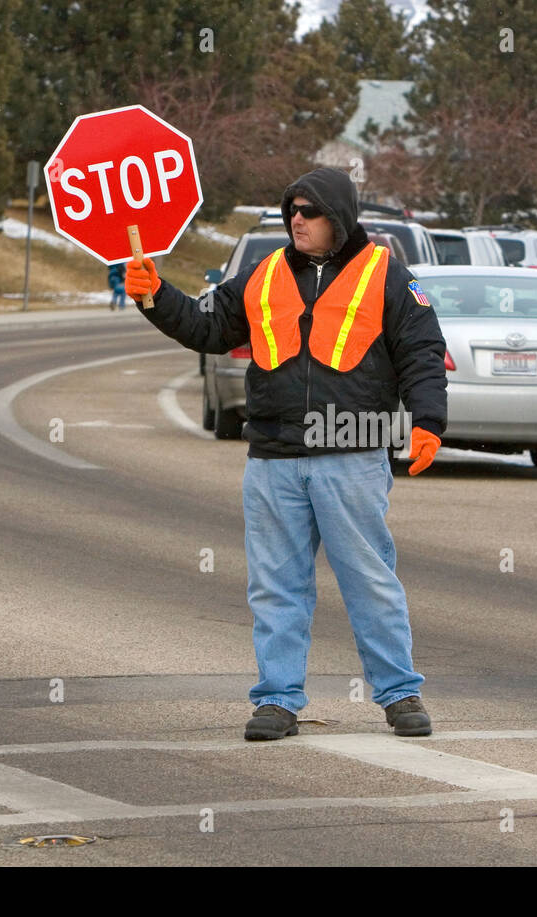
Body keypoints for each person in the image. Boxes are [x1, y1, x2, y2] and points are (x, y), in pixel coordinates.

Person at [124, 167, 448, 741]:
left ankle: (399, 693)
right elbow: (208, 326)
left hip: (351, 454)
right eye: (292, 209)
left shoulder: (386, 276)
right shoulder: (263, 274)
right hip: (273, 458)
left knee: (370, 580)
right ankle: (276, 701)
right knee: (276, 587)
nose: (296, 219)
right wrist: (156, 295)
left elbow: (422, 351)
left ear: (340, 219)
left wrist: (428, 424)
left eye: (310, 211)